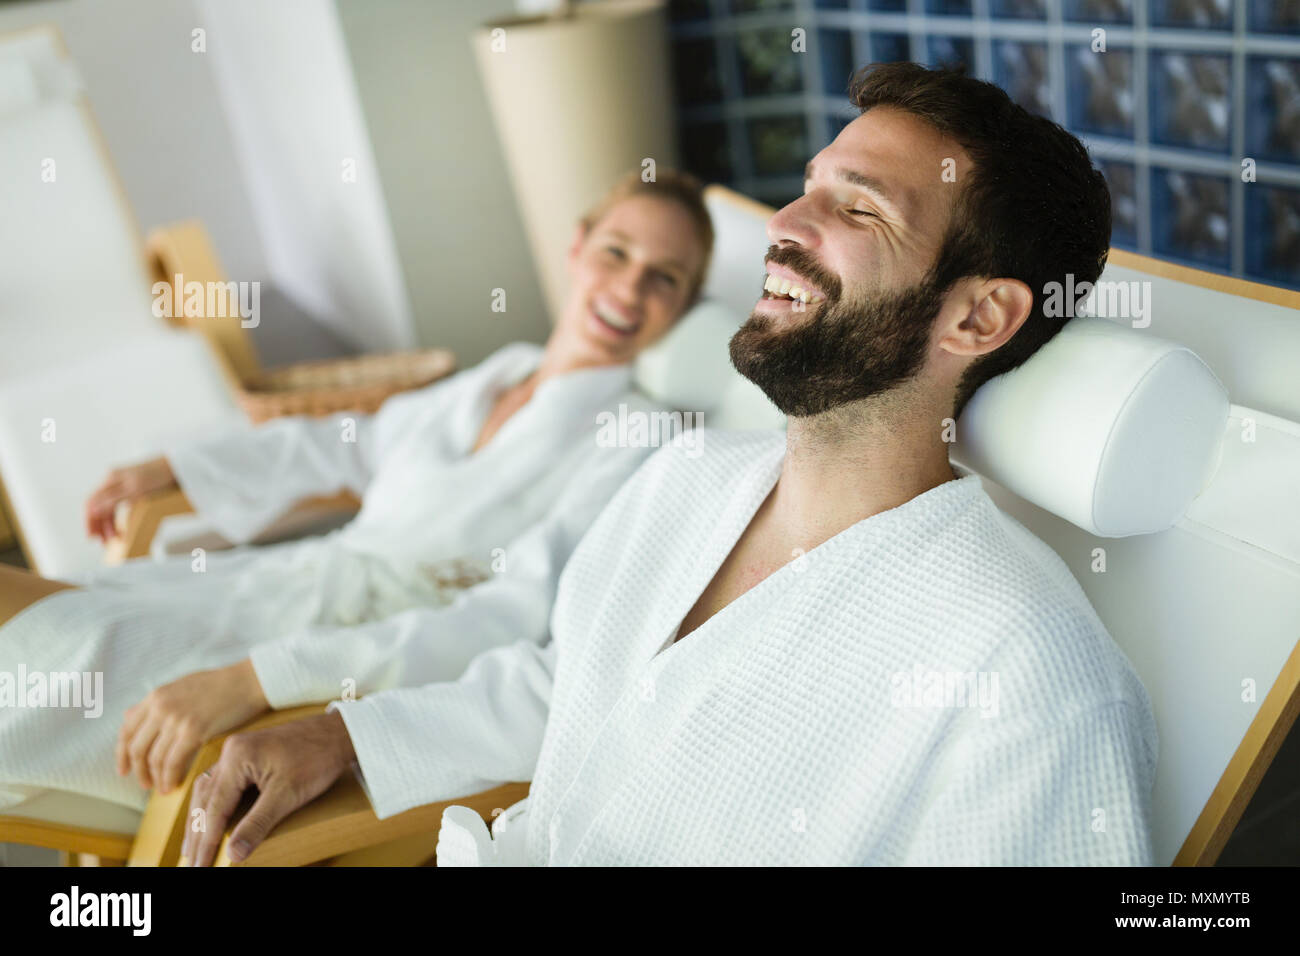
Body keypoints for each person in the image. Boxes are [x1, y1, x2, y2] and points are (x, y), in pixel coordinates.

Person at [182, 62, 1157, 866]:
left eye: (856, 211)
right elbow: (572, 684)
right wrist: (347, 733)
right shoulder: (685, 478)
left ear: (978, 316)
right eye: (809, 186)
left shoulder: (1023, 669)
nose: (786, 225)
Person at [0, 168, 713, 813]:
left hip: (330, 665)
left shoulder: (634, 437)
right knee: (51, 598)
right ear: (577, 246)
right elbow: (354, 441)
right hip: (266, 589)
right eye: (617, 253)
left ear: (683, 307)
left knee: (64, 649)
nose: (629, 290)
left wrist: (256, 679)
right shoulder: (503, 373)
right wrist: (185, 467)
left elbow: (511, 614)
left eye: (666, 278)